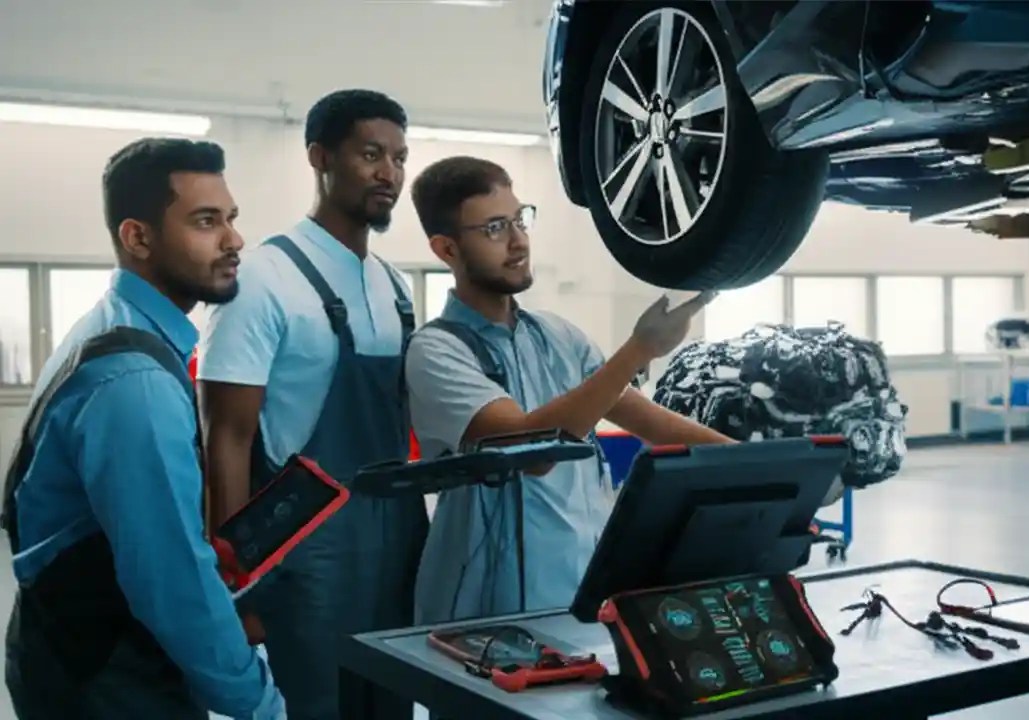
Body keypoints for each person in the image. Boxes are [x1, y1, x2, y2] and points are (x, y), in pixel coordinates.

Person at [0, 138, 285, 718]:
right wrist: (256, 702)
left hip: (69, 644)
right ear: (138, 237)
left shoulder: (112, 328)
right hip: (108, 672)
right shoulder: (136, 381)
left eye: (231, 219)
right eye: (206, 222)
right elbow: (173, 583)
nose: (233, 240)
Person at [405, 155, 733, 625]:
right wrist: (639, 349)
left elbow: (650, 421)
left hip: (583, 597)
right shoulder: (436, 351)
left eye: (520, 219)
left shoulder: (559, 337)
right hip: (481, 616)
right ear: (447, 250)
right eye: (495, 228)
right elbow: (529, 449)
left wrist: (779, 467)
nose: (518, 242)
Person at [196, 89, 426, 720]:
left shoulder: (393, 284)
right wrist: (237, 586)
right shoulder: (263, 279)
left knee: (393, 701)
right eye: (371, 154)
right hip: (307, 553)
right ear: (320, 158)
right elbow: (227, 437)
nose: (389, 174)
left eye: (400, 158)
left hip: (398, 537)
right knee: (321, 706)